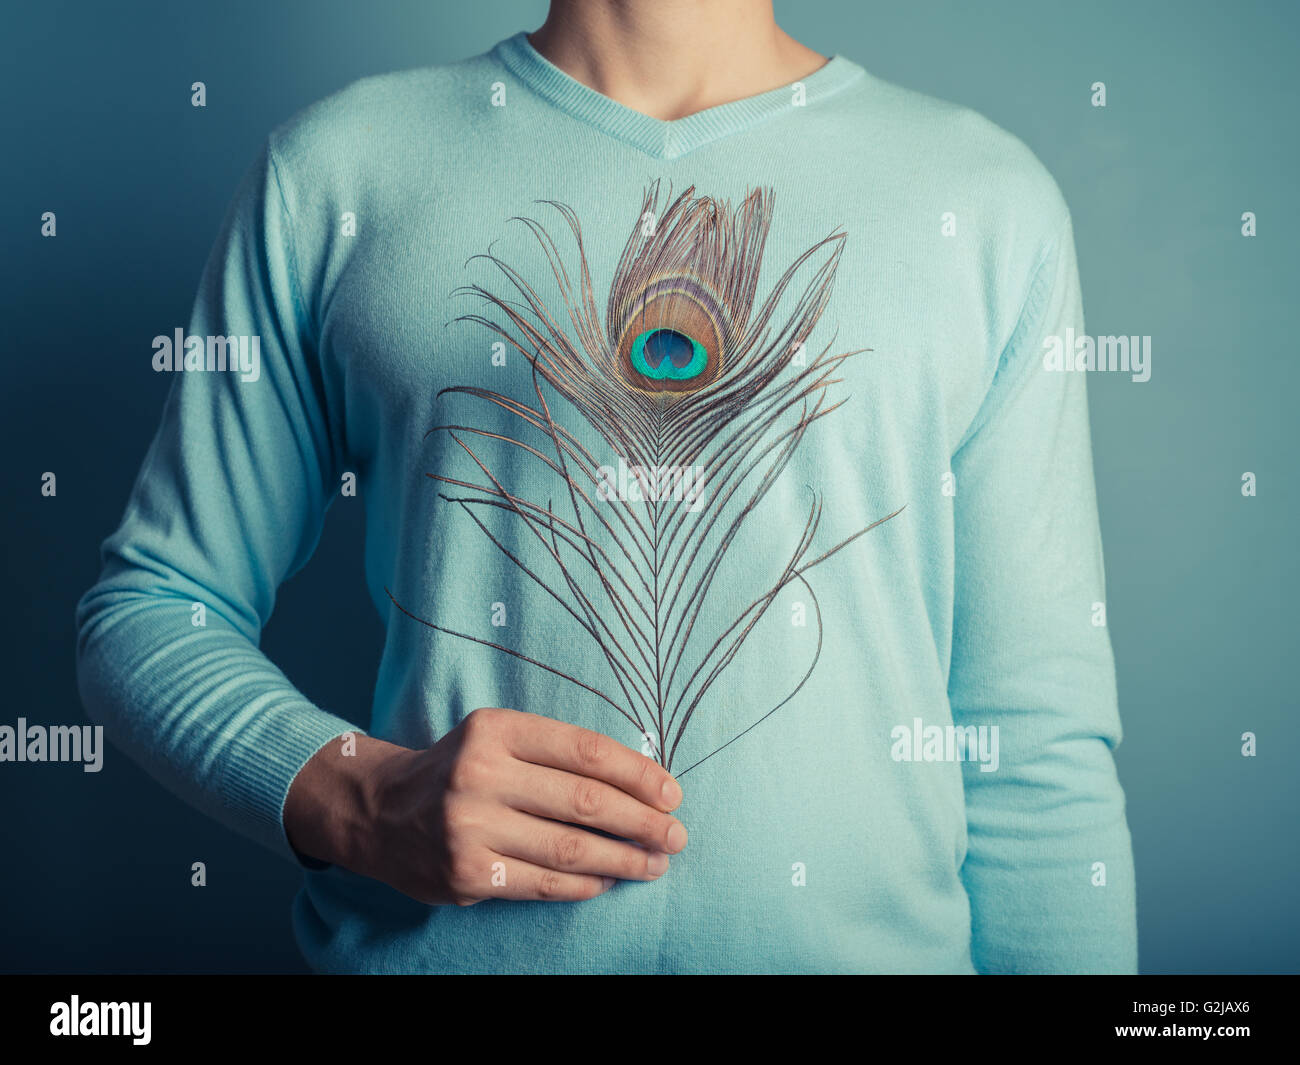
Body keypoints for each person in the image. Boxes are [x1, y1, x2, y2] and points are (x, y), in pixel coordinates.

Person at [76, 0, 1138, 973]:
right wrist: (352, 796)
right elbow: (150, 608)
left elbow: (1030, 734)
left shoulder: (982, 202)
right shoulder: (340, 171)